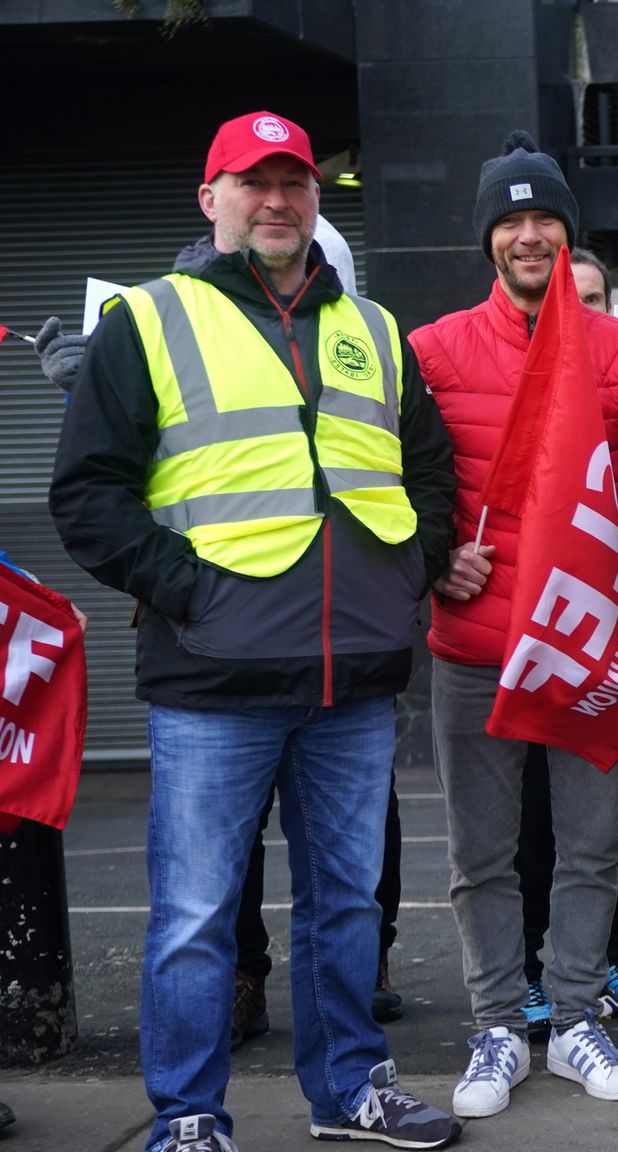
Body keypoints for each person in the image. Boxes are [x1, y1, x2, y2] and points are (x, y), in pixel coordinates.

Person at [48, 110, 460, 1151]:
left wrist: (404, 576)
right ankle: (188, 1117)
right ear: (211, 199)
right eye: (252, 183)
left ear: (317, 201)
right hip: (211, 673)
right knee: (193, 920)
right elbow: (88, 494)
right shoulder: (148, 321)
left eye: (294, 184)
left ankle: (349, 1092)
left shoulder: (373, 328)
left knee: (348, 908)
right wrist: (190, 592)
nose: (276, 201)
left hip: (351, 679)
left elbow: (429, 472)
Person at [411, 132, 618, 1120]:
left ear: (568, 234)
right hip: (473, 652)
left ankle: (571, 1021)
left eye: (543, 219)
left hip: (590, 651)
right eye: (509, 221)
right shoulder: (430, 351)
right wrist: (438, 557)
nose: (527, 235)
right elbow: (397, 486)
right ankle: (492, 1028)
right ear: (488, 239)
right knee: (480, 856)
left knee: (590, 849)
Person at [508, 243, 618, 1036]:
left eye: (594, 298)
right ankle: (532, 974)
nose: (577, 311)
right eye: (564, 296)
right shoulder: (496, 371)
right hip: (529, 628)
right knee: (530, 816)